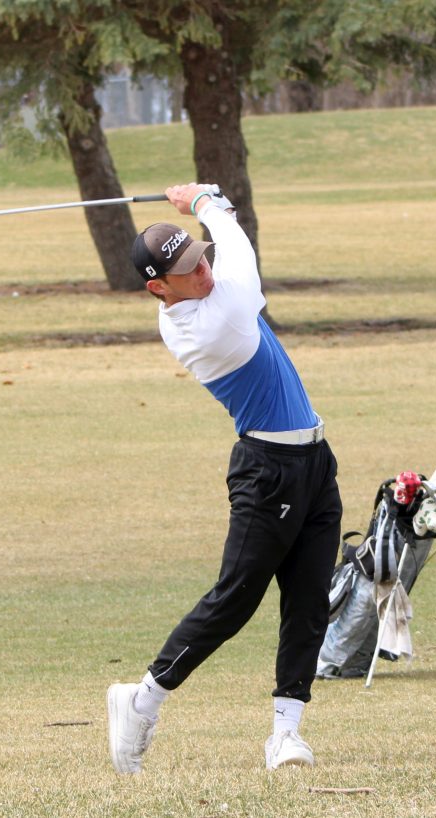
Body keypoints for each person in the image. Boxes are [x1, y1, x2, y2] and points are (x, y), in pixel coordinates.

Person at [106, 183, 342, 773]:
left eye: (202, 257)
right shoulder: (211, 323)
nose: (203, 270)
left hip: (313, 459)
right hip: (268, 472)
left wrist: (210, 212)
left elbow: (229, 252)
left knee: (310, 599)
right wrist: (206, 203)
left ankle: (286, 735)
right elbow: (242, 255)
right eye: (187, 271)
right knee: (235, 600)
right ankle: (142, 699)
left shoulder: (212, 290)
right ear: (158, 288)